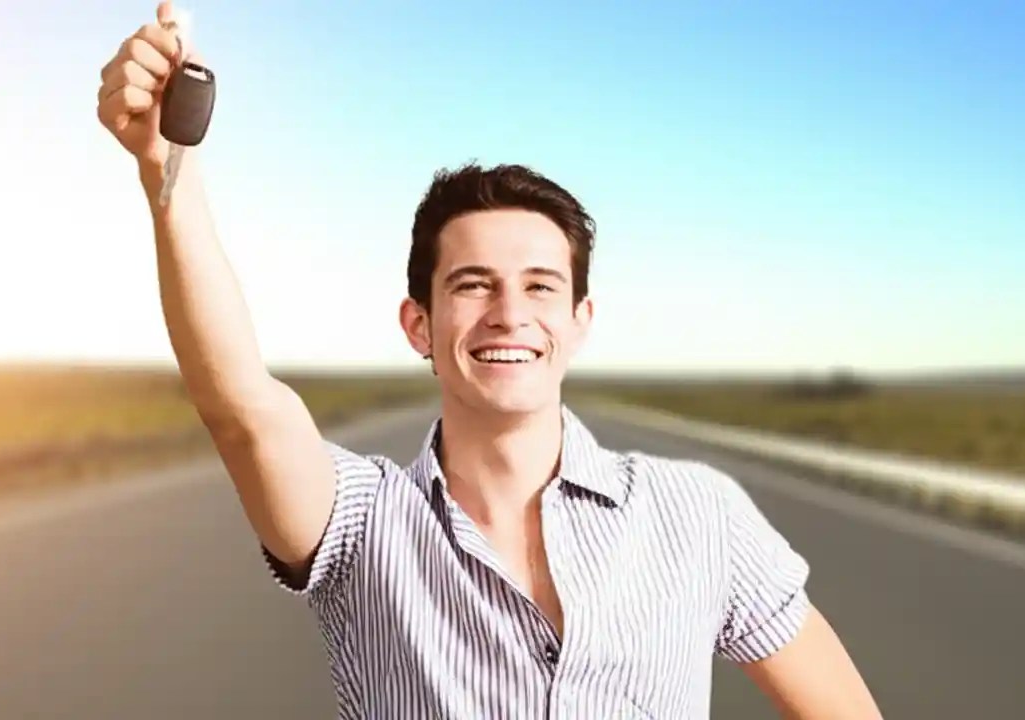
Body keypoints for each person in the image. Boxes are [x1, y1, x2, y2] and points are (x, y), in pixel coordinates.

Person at [96, 3, 883, 717]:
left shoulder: (698, 517)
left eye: (540, 287)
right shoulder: (363, 528)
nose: (510, 314)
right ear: (420, 326)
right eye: (473, 285)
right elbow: (243, 411)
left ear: (579, 323)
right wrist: (173, 179)